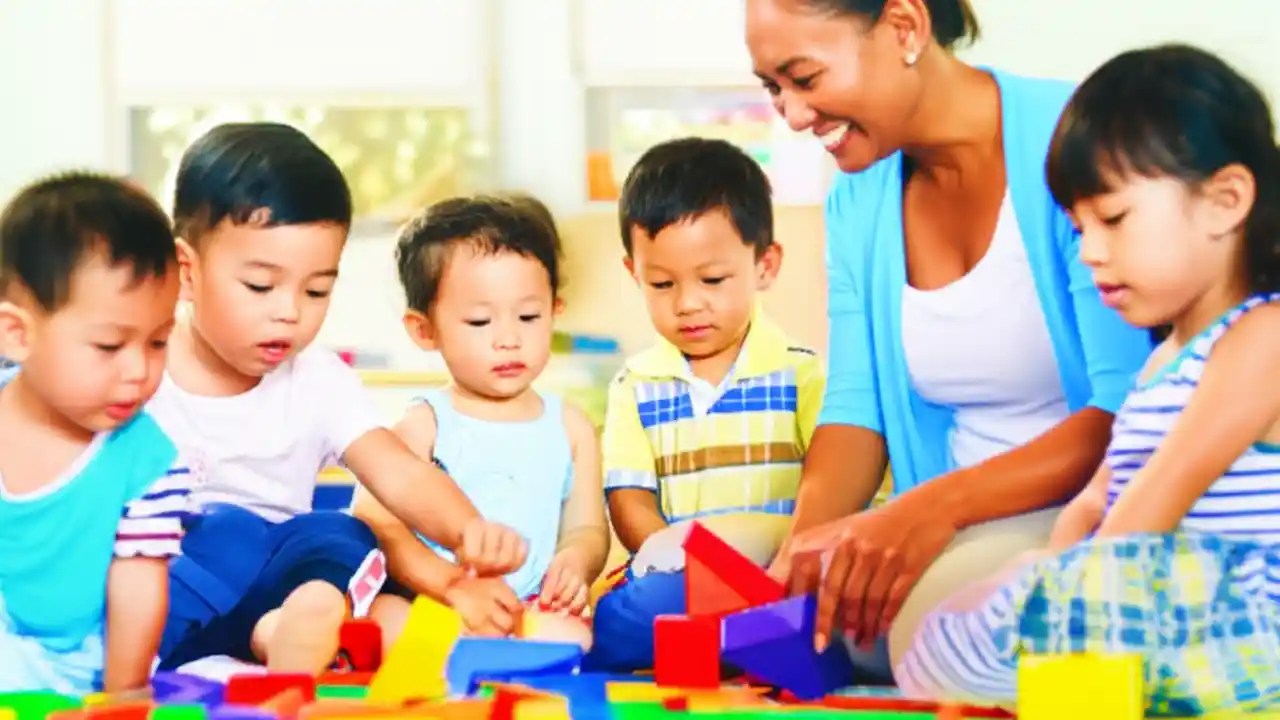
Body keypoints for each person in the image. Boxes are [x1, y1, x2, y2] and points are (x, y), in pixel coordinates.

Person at [744, 0, 1155, 675]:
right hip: (944, 519)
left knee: (917, 630)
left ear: (904, 28)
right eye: (772, 89)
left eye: (805, 78)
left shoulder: (1075, 141)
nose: (790, 115)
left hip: (1084, 507)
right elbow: (856, 405)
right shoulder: (856, 197)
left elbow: (1123, 414)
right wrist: (803, 547)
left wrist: (931, 510)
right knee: (706, 596)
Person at [899, 44, 1280, 715]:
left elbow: (1156, 500)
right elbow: (1096, 502)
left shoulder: (1263, 335)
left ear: (1226, 200)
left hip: (1249, 626)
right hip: (1151, 597)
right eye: (1078, 228)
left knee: (1037, 597)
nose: (1092, 253)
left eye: (1114, 219)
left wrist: (1055, 609)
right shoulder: (1160, 363)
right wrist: (1048, 580)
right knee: (995, 598)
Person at [148, 123, 528, 674]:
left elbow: (400, 473)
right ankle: (222, 644)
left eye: (316, 290)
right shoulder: (139, 371)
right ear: (187, 271)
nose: (289, 311)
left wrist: (467, 534)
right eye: (260, 286)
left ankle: (277, 635)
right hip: (181, 579)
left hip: (284, 579)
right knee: (204, 539)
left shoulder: (317, 379)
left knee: (344, 533)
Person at [585, 137, 826, 671]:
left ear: (765, 265)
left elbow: (833, 489)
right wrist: (674, 558)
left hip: (776, 569)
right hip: (682, 576)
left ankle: (743, 640)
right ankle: (744, 644)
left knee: (830, 608)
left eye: (713, 280)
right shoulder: (635, 383)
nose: (688, 303)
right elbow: (630, 500)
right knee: (630, 617)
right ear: (634, 275)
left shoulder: (803, 373)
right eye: (662, 284)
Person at [352, 194, 608, 651]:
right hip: (434, 602)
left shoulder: (571, 427)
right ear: (424, 330)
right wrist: (449, 585)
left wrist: (576, 561)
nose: (509, 339)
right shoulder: (423, 424)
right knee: (383, 618)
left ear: (556, 311)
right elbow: (376, 523)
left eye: (529, 316)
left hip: (522, 607)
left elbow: (586, 528)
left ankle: (469, 657)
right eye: (479, 321)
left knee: (572, 638)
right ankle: (459, 651)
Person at [0, 173, 192, 693]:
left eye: (157, 342)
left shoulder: (148, 460)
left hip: (73, 667)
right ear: (17, 334)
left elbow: (138, 587)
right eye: (109, 346)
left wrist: (123, 695)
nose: (138, 371)